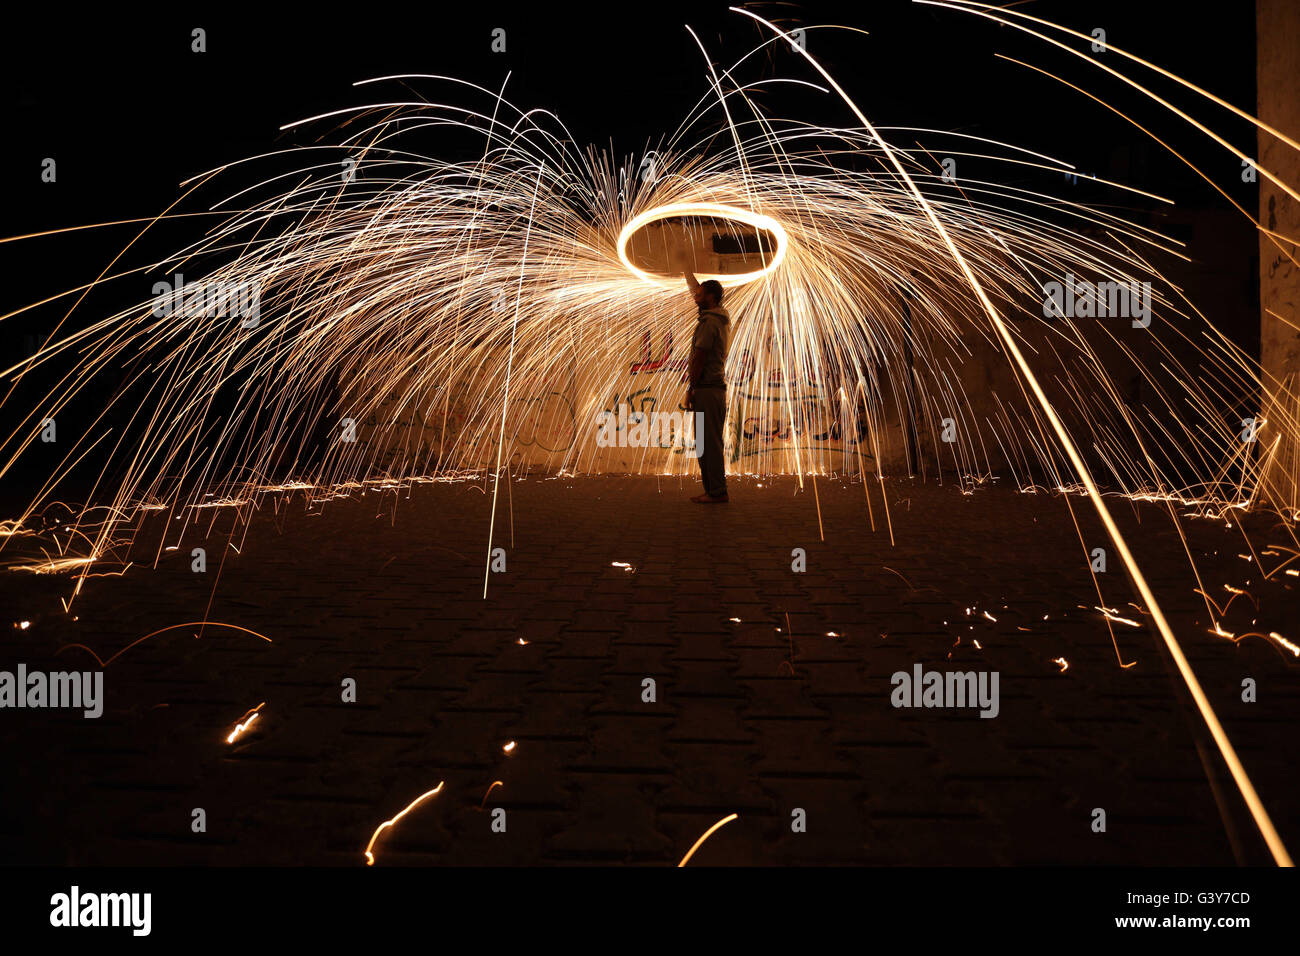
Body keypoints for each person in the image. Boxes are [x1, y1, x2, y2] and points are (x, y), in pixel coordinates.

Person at [683, 270, 730, 503]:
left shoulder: (709, 323)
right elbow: (695, 289)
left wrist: (691, 387)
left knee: (708, 444)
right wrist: (685, 269)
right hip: (712, 390)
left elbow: (699, 357)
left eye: (700, 294)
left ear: (710, 297)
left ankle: (718, 492)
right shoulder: (716, 319)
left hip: (707, 389)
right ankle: (712, 490)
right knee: (704, 442)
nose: (695, 296)